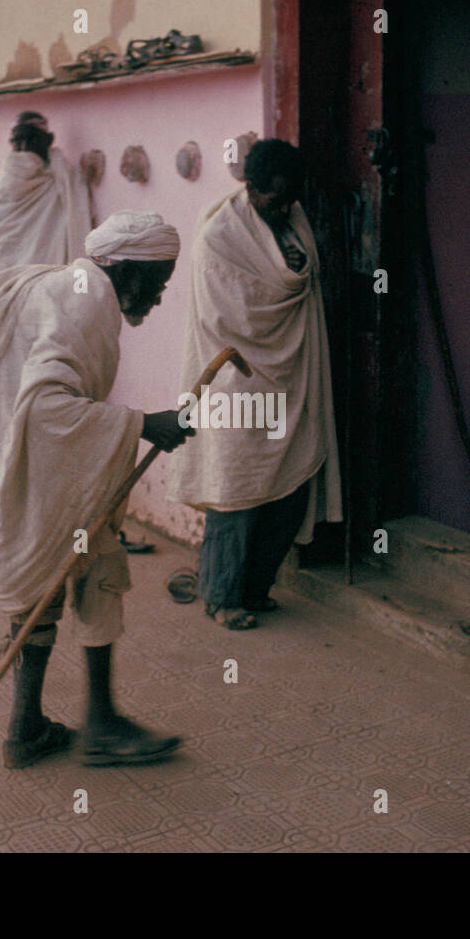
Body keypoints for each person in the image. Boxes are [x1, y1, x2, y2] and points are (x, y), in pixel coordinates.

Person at [0, 211, 193, 768]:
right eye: (157, 284)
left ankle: (26, 730)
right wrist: (145, 424)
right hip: (13, 452)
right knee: (95, 564)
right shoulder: (91, 302)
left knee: (42, 577)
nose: (157, 299)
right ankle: (103, 725)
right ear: (127, 271)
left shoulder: (54, 280)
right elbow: (45, 410)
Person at [167, 139, 342, 631]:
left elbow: (300, 280)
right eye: (273, 199)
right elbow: (232, 315)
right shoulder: (219, 235)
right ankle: (220, 597)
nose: (282, 208)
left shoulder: (293, 221)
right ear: (250, 188)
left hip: (290, 378)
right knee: (236, 492)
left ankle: (255, 588)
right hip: (235, 380)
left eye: (289, 199)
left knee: (289, 493)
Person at [0, 110, 92, 297]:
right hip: (0, 291)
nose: (24, 148)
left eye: (32, 140)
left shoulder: (61, 181)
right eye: (18, 142)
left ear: (48, 141)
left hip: (43, 289)